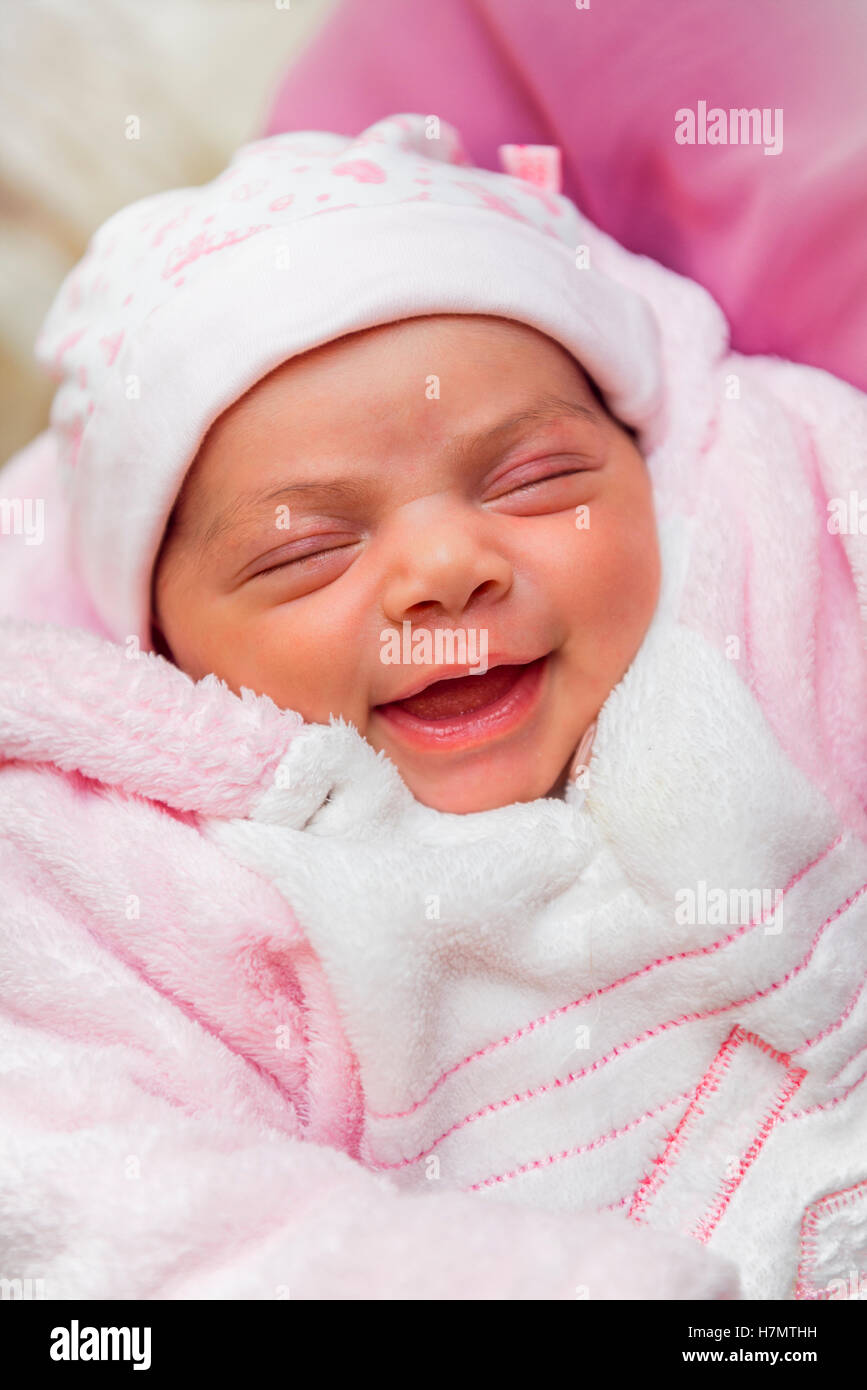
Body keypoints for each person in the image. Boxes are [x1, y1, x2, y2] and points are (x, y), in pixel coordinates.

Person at [0, 112, 864, 1301]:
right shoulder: (159, 904)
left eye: (537, 478)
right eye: (305, 551)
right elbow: (114, 1205)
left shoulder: (785, 597)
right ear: (160, 653)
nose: (448, 566)